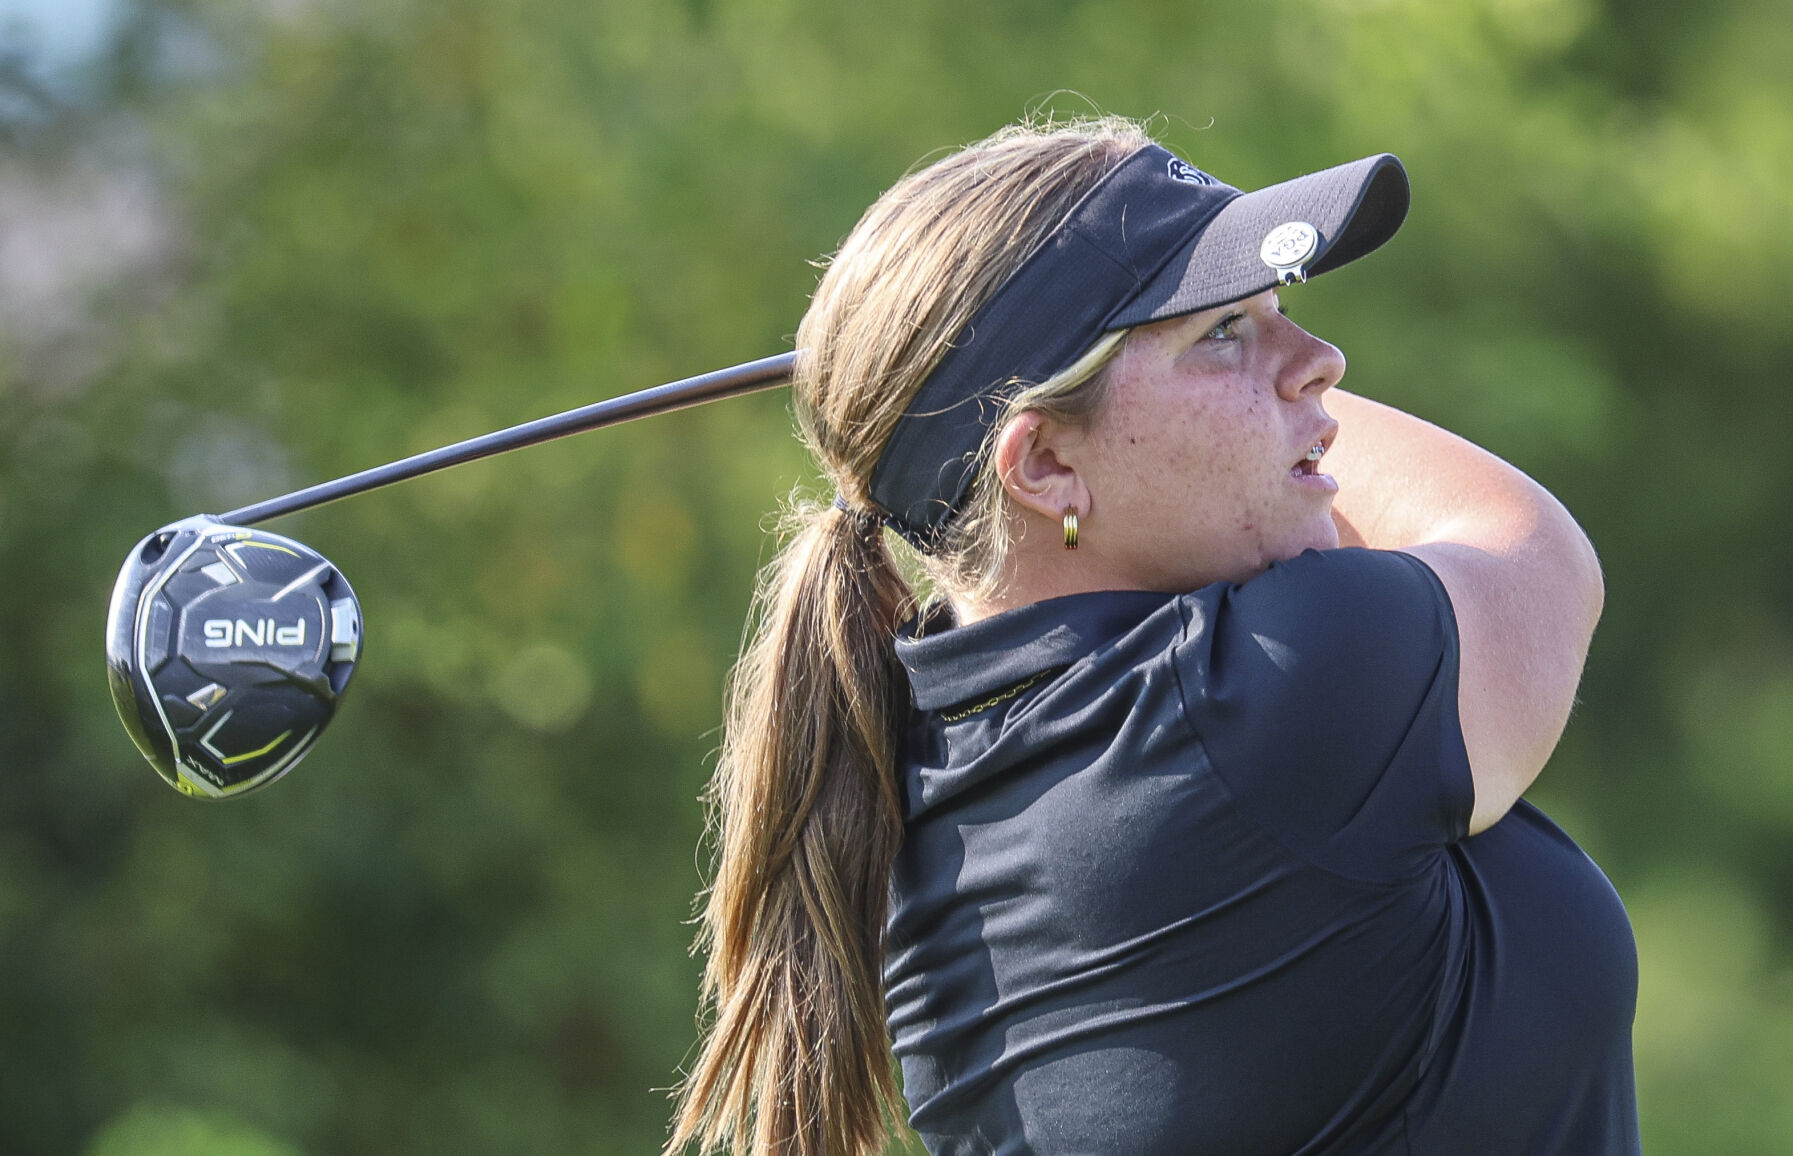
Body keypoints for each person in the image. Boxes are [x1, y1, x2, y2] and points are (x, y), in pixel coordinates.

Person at [664, 117, 1636, 1156]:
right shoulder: (1267, 690)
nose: (1320, 361)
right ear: (1041, 468)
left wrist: (1211, 375)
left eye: (1279, 312)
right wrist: (1296, 420)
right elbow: (1531, 554)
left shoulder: (918, 769)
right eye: (1219, 332)